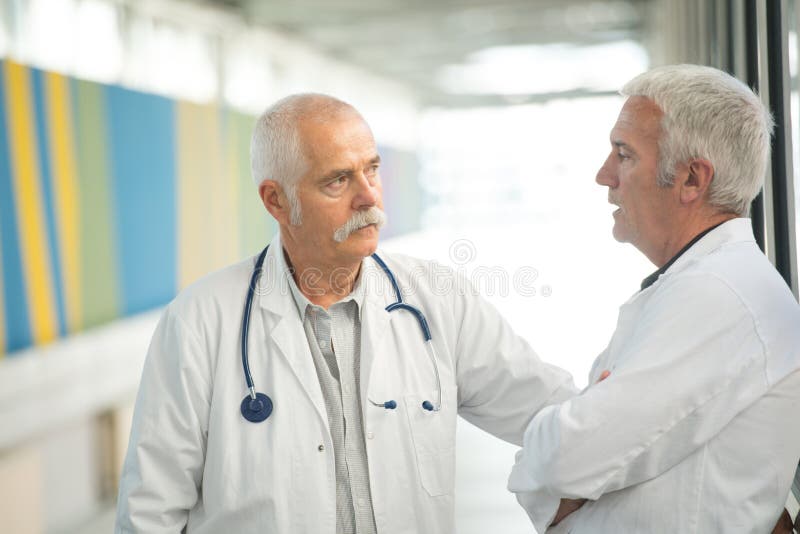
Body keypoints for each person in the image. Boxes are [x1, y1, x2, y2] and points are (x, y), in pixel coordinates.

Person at [114, 93, 577, 533]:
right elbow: (150, 511)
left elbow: (549, 410)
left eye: (371, 170)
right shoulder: (201, 322)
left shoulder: (438, 301)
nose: (369, 197)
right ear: (276, 201)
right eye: (338, 180)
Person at [508, 64, 800, 533]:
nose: (604, 176)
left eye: (624, 154)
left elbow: (566, 457)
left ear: (690, 179)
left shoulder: (719, 295)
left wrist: (556, 443)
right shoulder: (702, 285)